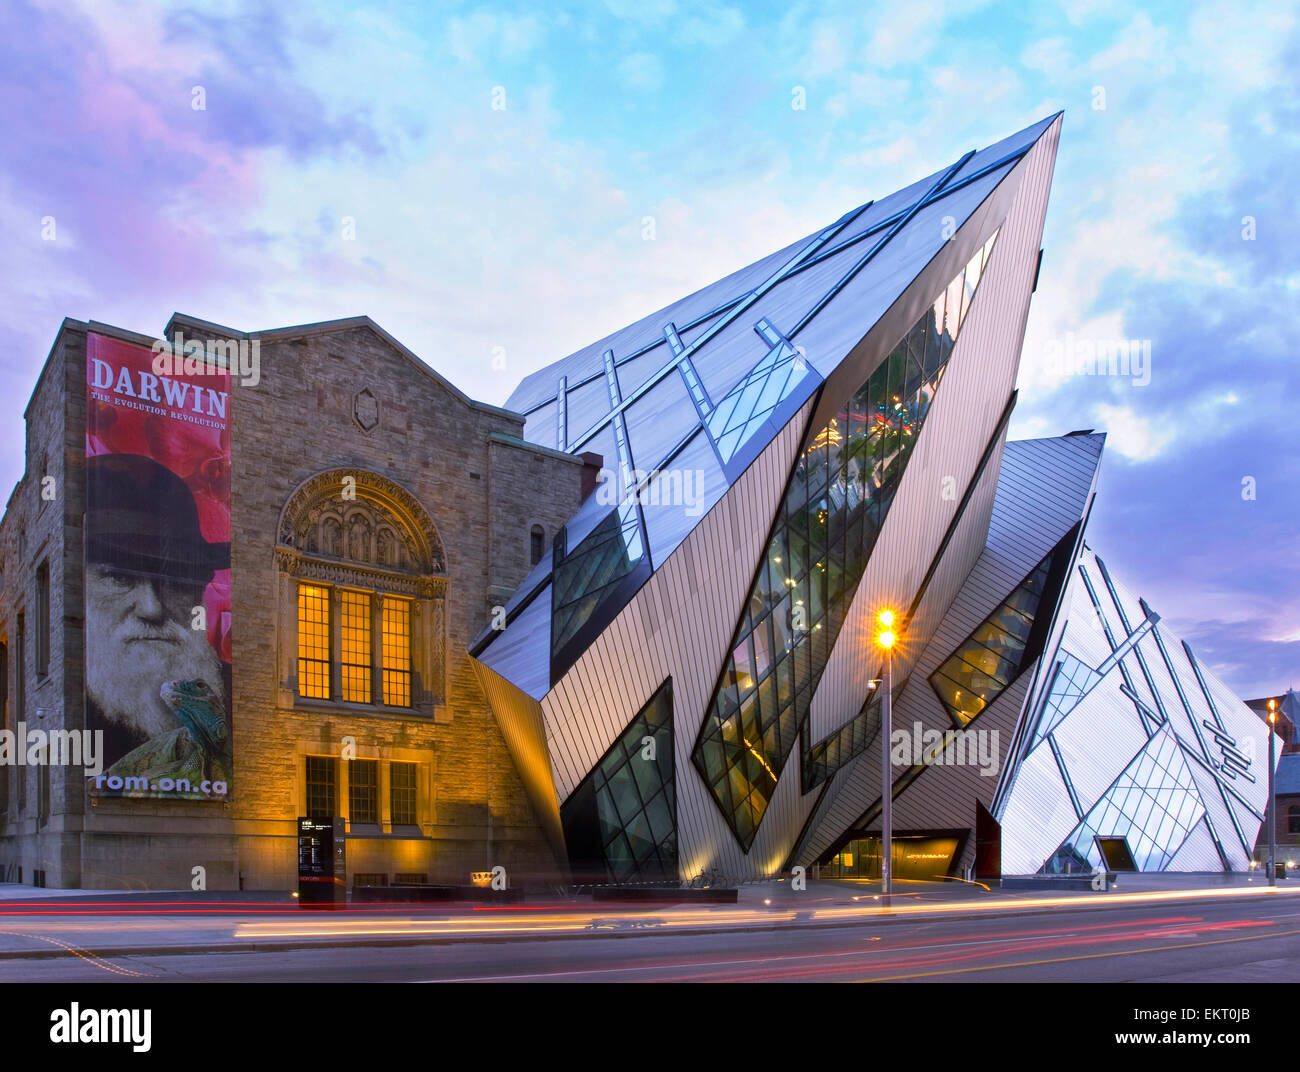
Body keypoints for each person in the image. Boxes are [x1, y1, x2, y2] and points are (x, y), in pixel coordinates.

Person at [84, 454, 230, 784]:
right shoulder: (64, 710)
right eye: (119, 578)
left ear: (201, 589)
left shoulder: (231, 698)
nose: (152, 609)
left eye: (176, 579)